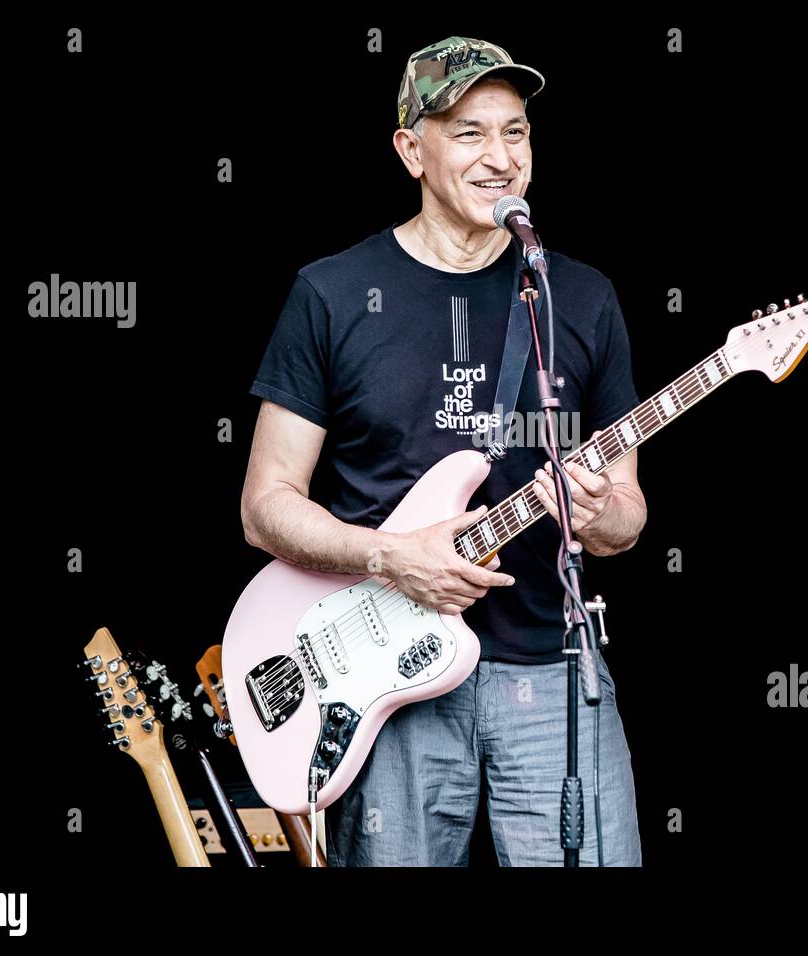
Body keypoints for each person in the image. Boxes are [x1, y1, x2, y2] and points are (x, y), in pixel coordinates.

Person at [241, 35, 645, 865]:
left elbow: (628, 519)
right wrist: (391, 556)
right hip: (384, 679)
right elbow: (265, 503)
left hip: (550, 672)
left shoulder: (581, 296)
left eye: (516, 132)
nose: (500, 157)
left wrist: (602, 513)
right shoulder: (332, 293)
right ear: (410, 148)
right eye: (468, 132)